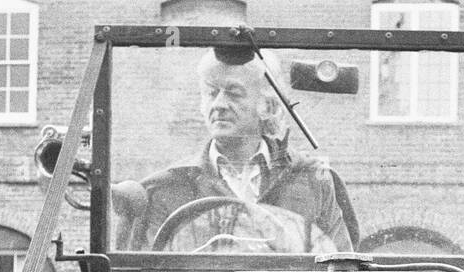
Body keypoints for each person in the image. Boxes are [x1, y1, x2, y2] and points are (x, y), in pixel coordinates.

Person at [116, 47, 354, 252]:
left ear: (267, 105)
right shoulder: (167, 189)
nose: (218, 104)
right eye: (211, 93)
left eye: (233, 93)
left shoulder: (312, 179)